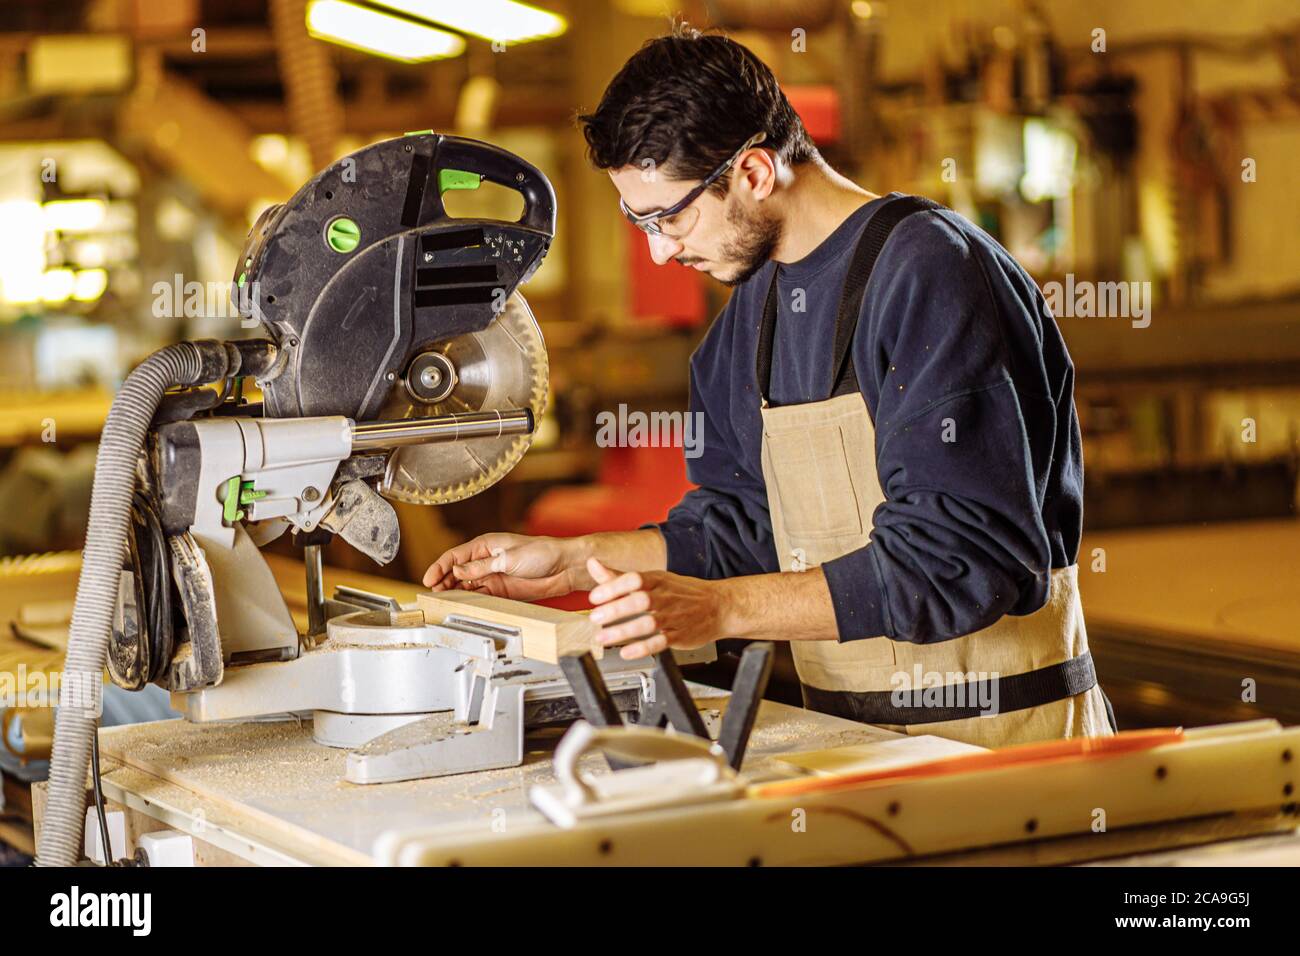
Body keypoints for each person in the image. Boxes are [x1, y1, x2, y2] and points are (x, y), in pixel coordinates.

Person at [423, 24, 1114, 747]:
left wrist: (719, 610)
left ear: (754, 173)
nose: (658, 251)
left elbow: (959, 560)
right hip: (850, 745)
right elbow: (746, 531)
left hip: (1008, 748)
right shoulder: (749, 316)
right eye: (639, 221)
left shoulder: (929, 272)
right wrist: (574, 561)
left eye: (669, 216)